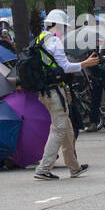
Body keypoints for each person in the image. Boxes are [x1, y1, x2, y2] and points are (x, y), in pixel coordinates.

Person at [33, 9, 98, 180]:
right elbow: (65, 67)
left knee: (67, 129)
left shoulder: (39, 39)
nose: (64, 30)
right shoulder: (54, 41)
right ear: (56, 25)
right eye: (63, 26)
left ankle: (74, 167)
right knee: (59, 128)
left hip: (45, 91)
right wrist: (86, 63)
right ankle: (43, 168)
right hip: (54, 92)